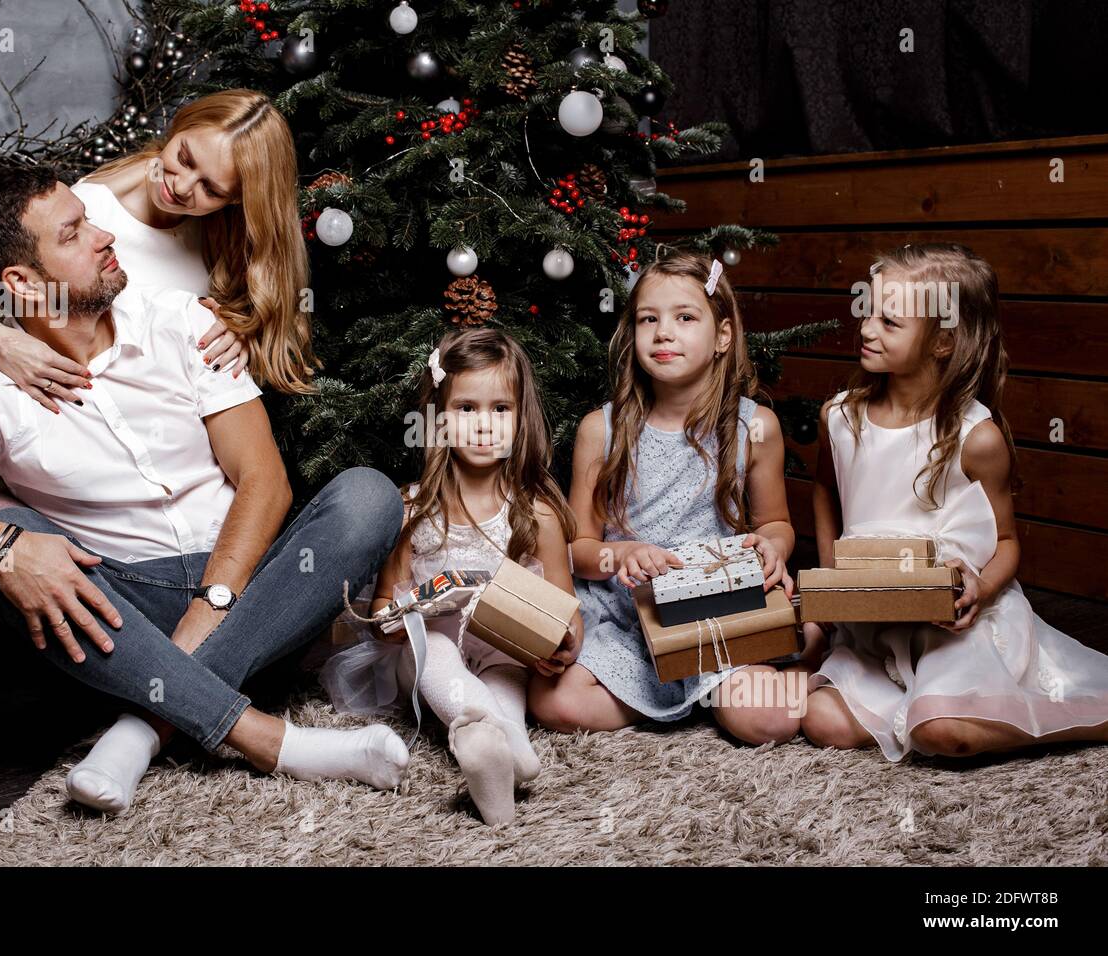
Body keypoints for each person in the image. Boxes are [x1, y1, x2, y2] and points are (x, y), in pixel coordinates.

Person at [0, 166, 409, 817]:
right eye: (75, 233)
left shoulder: (180, 321)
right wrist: (3, 546)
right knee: (13, 531)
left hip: (257, 583)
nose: (106, 235)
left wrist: (217, 597)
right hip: (129, 610)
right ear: (23, 282)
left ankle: (140, 729)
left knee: (368, 494)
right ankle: (268, 738)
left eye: (91, 218)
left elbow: (264, 479)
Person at [801, 242, 1108, 759]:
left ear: (942, 342)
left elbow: (1007, 542)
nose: (867, 328)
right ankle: (915, 703)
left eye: (889, 322)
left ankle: (1086, 720)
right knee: (821, 721)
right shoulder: (840, 417)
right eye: (867, 311)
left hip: (958, 631)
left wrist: (981, 591)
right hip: (875, 628)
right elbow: (825, 489)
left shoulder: (977, 437)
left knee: (941, 731)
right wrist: (832, 574)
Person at [529, 253, 806, 745]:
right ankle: (672, 700)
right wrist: (624, 554)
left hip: (715, 615)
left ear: (722, 336)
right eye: (648, 319)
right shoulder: (603, 430)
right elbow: (578, 549)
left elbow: (777, 523)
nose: (663, 333)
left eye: (685, 317)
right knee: (554, 703)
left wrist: (772, 548)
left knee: (773, 720)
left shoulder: (755, 426)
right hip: (629, 618)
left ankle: (713, 683)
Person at [0, 88, 316, 411]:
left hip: (182, 416)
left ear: (236, 200)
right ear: (179, 125)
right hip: (89, 411)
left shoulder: (230, 230)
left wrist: (242, 334)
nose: (181, 187)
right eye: (183, 158)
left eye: (210, 189)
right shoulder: (85, 212)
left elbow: (271, 326)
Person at [335, 329, 581, 825]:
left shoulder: (537, 513)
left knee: (507, 678)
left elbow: (565, 608)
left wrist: (563, 646)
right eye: (466, 409)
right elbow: (382, 609)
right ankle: (512, 742)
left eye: (500, 409)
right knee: (438, 652)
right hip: (422, 657)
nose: (484, 425)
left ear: (521, 418)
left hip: (502, 652)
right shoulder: (412, 509)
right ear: (438, 418)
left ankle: (490, 749)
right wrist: (402, 617)